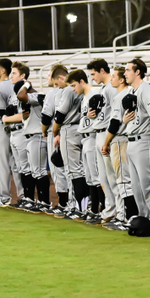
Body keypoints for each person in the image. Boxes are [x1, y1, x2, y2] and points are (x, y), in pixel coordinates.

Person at [119, 58, 150, 227]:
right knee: (137, 188)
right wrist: (124, 121)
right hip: (132, 141)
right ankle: (145, 220)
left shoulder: (146, 90)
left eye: (128, 70)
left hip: (145, 140)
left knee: (148, 184)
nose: (125, 73)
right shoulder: (133, 91)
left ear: (138, 72)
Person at [101, 66, 138, 230]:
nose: (111, 79)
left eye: (114, 76)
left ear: (122, 79)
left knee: (124, 182)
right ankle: (127, 217)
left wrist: (106, 142)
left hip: (120, 140)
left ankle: (127, 219)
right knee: (128, 182)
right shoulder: (132, 93)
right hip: (130, 139)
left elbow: (115, 123)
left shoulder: (119, 97)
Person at [87, 58, 121, 224]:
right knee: (104, 178)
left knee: (112, 177)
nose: (92, 77)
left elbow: (116, 115)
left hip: (108, 135)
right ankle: (110, 209)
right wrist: (91, 116)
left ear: (102, 70)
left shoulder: (112, 89)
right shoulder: (103, 89)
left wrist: (108, 138)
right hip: (99, 133)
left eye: (94, 73)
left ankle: (118, 211)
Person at [14, 62, 51, 211]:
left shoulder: (37, 95)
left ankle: (44, 202)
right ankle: (40, 201)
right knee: (35, 171)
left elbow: (22, 95)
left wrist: (26, 85)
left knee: (39, 171)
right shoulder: (33, 97)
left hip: (37, 136)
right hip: (31, 137)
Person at [52, 70, 88, 219]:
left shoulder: (68, 90)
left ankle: (75, 206)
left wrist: (55, 132)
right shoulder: (83, 89)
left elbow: (60, 115)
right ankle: (84, 206)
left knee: (72, 171)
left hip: (69, 130)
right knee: (81, 170)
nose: (57, 85)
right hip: (81, 128)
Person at [42, 65, 72, 213]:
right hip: (72, 133)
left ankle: (63, 204)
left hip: (56, 134)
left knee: (58, 170)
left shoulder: (54, 93)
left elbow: (46, 117)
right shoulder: (75, 91)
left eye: (49, 76)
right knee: (72, 171)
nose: (48, 79)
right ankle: (75, 205)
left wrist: (45, 132)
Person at [0, 58, 21, 206]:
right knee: (17, 163)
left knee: (2, 163)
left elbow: (0, 113)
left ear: (4, 70)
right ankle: (22, 196)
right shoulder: (17, 84)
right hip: (17, 126)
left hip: (2, 126)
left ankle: (3, 197)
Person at [76, 65, 104, 222]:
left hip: (93, 137)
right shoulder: (85, 97)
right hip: (86, 138)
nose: (73, 89)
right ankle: (94, 209)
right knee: (90, 177)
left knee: (96, 177)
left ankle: (100, 210)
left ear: (81, 82)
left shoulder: (94, 93)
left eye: (74, 85)